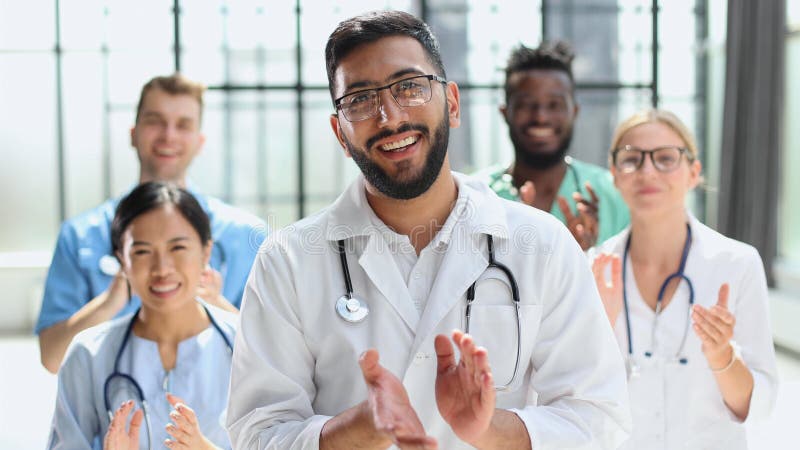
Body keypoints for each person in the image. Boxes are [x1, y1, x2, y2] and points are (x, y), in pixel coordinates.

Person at [227, 10, 630, 449]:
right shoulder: (287, 260)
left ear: (452, 104)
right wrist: (359, 428)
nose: (389, 116)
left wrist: (489, 429)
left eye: (409, 87)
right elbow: (256, 432)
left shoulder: (544, 246)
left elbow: (599, 421)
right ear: (340, 133)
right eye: (360, 99)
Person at [36, 74, 265, 373]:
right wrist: (109, 303)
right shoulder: (79, 236)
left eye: (183, 125)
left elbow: (272, 362)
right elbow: (53, 359)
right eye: (155, 121)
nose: (168, 135)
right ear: (133, 133)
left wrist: (214, 304)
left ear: (199, 142)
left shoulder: (248, 237)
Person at [590, 109, 778, 449]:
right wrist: (600, 328)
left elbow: (759, 406)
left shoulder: (736, 264)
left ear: (693, 173)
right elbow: (578, 396)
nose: (648, 170)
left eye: (665, 158)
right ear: (615, 175)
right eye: (632, 159)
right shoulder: (594, 269)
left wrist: (722, 356)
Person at [47, 182, 237, 450]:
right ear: (122, 261)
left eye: (178, 248)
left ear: (206, 251)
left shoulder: (246, 345)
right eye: (142, 251)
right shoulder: (89, 353)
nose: (162, 268)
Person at [476, 41, 629, 250]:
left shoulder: (615, 194)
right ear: (505, 113)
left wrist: (584, 257)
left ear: (574, 112)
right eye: (526, 105)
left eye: (555, 105)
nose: (541, 117)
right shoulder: (476, 197)